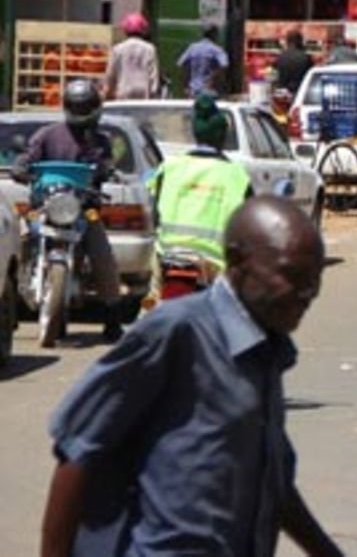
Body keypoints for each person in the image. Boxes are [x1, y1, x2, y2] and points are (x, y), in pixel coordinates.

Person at [40, 198, 340, 557]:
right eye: (292, 275)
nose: (308, 292)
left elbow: (270, 480)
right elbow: (78, 451)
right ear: (238, 261)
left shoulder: (268, 351)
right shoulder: (176, 332)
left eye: (315, 278)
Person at [16, 80, 124, 344]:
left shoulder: (100, 141)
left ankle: (112, 315)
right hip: (46, 206)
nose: (80, 111)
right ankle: (9, 303)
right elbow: (27, 159)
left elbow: (107, 166)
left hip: (83, 210)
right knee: (15, 240)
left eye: (85, 106)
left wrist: (106, 171)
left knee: (102, 255)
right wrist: (22, 169)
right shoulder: (47, 135)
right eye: (76, 106)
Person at [144, 94, 254, 311]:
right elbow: (250, 224)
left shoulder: (170, 168)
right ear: (222, 137)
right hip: (216, 263)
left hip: (168, 254)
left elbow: (154, 212)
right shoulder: (236, 175)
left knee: (150, 308)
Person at [104, 13, 160, 101]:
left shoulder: (118, 49)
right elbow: (153, 75)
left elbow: (111, 75)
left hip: (123, 91)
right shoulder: (150, 49)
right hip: (143, 93)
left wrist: (108, 93)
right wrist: (153, 94)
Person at [176, 25, 229, 97]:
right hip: (209, 90)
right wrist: (213, 79)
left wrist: (185, 86)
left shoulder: (192, 47)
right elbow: (224, 65)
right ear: (214, 35)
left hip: (193, 89)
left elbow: (181, 64)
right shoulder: (217, 50)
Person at [272, 29, 314, 98]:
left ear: (287, 41)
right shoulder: (305, 58)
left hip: (283, 93)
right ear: (300, 41)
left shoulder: (281, 57)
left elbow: (274, 73)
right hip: (299, 92)